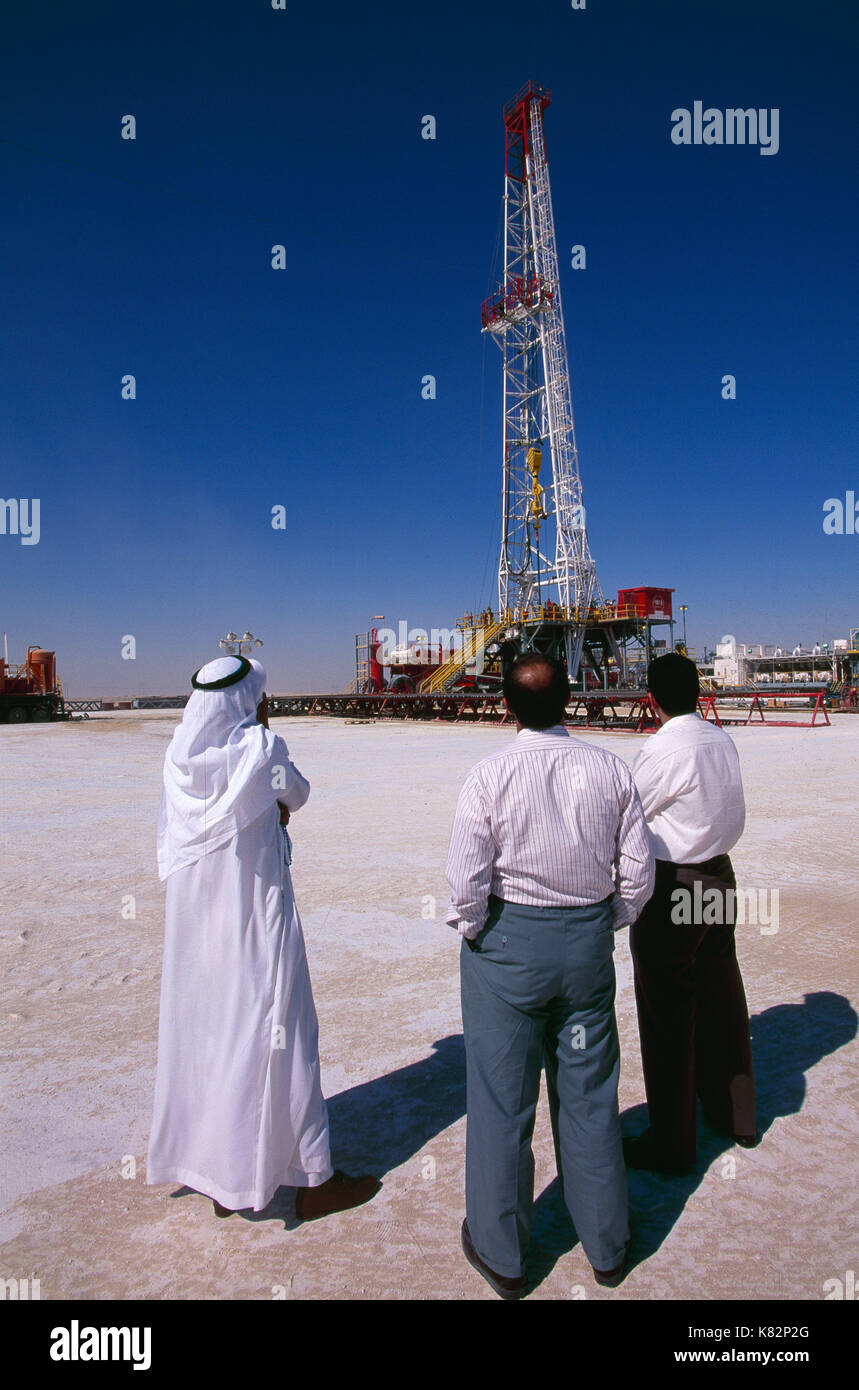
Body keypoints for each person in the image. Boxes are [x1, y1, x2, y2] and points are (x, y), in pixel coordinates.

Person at [446, 653, 654, 1298]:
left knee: (502, 1100)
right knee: (590, 1095)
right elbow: (639, 873)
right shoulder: (612, 769)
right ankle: (607, 1245)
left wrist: (480, 931)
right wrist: (603, 921)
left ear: (506, 707)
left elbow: (464, 882)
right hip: (586, 949)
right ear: (569, 698)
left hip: (508, 952)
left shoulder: (488, 776)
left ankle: (502, 1252)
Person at [147, 654, 380, 1220]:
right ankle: (314, 1179)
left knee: (212, 1034)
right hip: (256, 920)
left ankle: (223, 1172)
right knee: (287, 1028)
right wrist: (265, 733)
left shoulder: (178, 760)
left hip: (199, 937)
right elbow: (297, 794)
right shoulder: (261, 751)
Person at [626, 653, 757, 1175]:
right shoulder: (719, 739)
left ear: (651, 699)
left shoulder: (662, 750)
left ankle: (672, 1144)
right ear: (698, 692)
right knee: (723, 997)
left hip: (674, 883)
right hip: (719, 875)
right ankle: (737, 1116)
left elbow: (629, 811)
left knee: (668, 1014)